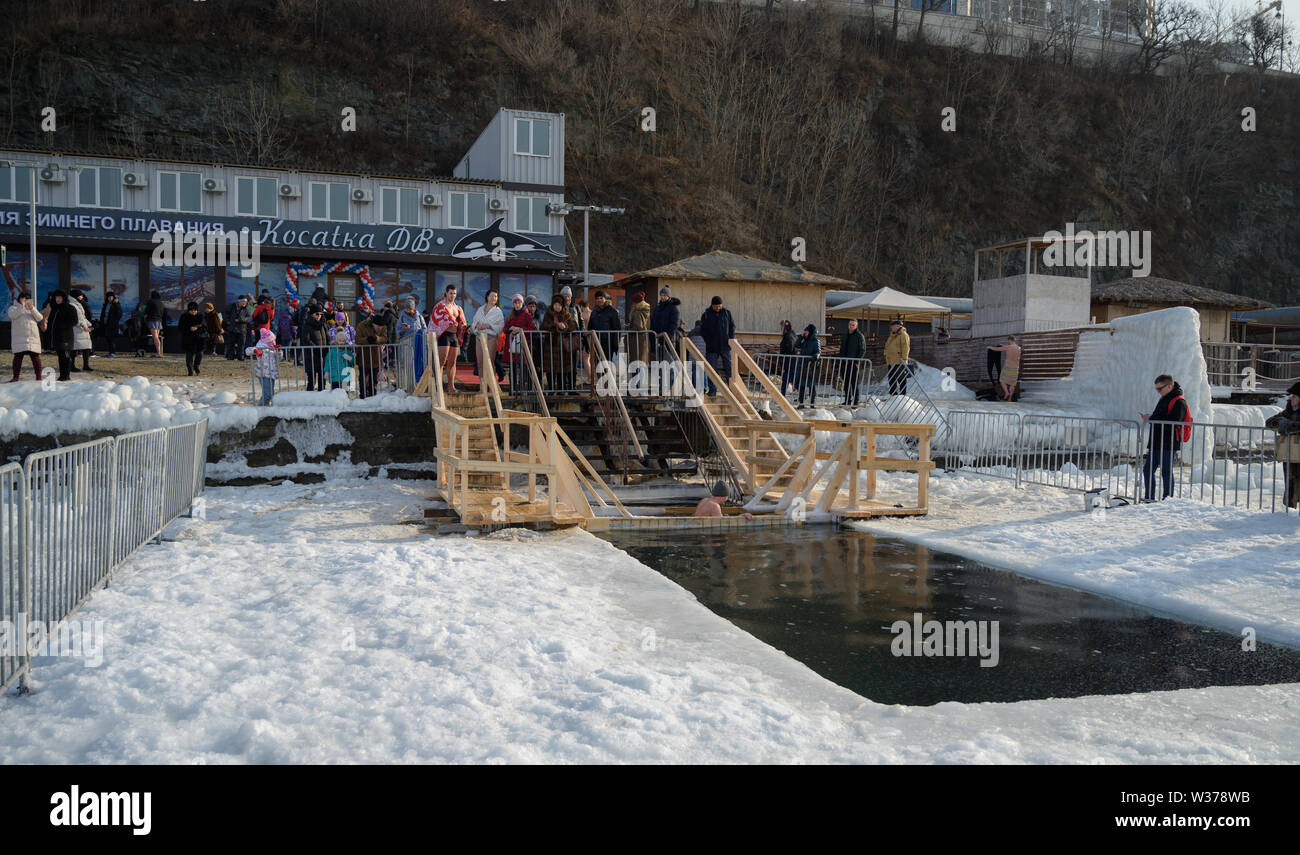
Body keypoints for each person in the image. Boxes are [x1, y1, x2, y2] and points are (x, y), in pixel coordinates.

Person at [1140, 374, 1190, 502]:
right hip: (1156, 441)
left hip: (1168, 443)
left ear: (1169, 386)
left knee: (1166, 472)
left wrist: (1151, 419)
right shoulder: (1164, 398)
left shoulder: (1179, 401)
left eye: (1160, 389)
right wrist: (1151, 417)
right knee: (1147, 471)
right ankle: (1149, 498)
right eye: (1156, 389)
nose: (1158, 392)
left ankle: (1168, 500)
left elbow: (1174, 422)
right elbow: (1161, 417)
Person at [1265, 382, 1300, 509]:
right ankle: (1288, 513)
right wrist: (1285, 424)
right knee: (1290, 484)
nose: (1291, 398)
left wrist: (1290, 426)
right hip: (1291, 454)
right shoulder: (1289, 411)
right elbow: (1269, 423)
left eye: (1295, 396)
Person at [429, 287, 464, 392]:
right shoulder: (440, 306)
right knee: (441, 361)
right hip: (444, 335)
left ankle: (451, 386)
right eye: (451, 293)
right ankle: (438, 386)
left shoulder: (457, 308)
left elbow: (461, 321)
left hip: (454, 336)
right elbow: (436, 319)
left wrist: (463, 325)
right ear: (446, 293)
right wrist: (452, 322)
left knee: (452, 362)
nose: (452, 295)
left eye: (454, 293)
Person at [699, 296, 735, 396]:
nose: (718, 308)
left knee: (729, 368)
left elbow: (732, 327)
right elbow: (703, 330)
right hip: (712, 347)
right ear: (712, 305)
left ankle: (732, 389)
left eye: (719, 306)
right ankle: (712, 390)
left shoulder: (727, 313)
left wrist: (730, 339)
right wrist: (708, 341)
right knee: (712, 369)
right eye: (716, 306)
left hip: (725, 346)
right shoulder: (706, 314)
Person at [540, 293, 578, 390]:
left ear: (562, 306)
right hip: (551, 346)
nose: (557, 307)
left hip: (563, 346)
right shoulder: (548, 314)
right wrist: (556, 326)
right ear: (553, 305)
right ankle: (551, 389)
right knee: (550, 369)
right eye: (556, 304)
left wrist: (565, 326)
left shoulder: (567, 314)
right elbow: (544, 326)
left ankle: (561, 389)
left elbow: (572, 326)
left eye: (560, 305)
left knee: (563, 369)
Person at [8, 292, 45, 382]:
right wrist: (22, 306)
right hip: (19, 337)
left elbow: (40, 318)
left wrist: (32, 308)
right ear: (19, 299)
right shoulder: (13, 308)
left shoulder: (31, 309)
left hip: (32, 336)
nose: (26, 300)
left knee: (35, 357)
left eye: (27, 299)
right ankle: (15, 377)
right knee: (18, 357)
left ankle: (39, 377)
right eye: (24, 298)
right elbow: (12, 315)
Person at [503, 293, 537, 391]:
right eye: (515, 303)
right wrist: (510, 328)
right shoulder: (511, 315)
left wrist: (520, 329)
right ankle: (513, 389)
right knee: (512, 368)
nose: (517, 305)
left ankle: (522, 389)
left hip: (523, 345)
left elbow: (533, 328)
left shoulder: (527, 314)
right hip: (511, 346)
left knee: (523, 368)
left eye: (519, 303)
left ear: (522, 303)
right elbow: (505, 329)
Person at [469, 289, 505, 383]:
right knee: (480, 363)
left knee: (489, 363)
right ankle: (482, 386)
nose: (494, 298)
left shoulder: (498, 311)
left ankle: (491, 386)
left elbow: (500, 327)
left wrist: (489, 326)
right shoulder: (480, 309)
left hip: (490, 338)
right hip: (479, 336)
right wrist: (477, 326)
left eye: (496, 296)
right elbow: (474, 322)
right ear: (487, 297)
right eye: (492, 296)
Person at [42, 290, 78, 381]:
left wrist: (62, 326)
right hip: (56, 337)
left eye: (60, 297)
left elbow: (74, 321)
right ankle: (62, 375)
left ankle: (66, 376)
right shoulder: (53, 308)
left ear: (64, 298)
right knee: (60, 357)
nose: (58, 299)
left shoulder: (70, 308)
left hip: (66, 337)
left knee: (66, 357)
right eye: (56, 297)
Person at [354, 312, 388, 398]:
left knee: (374, 381)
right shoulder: (361, 325)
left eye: (381, 326)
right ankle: (363, 397)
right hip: (363, 357)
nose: (380, 328)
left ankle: (373, 397)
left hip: (376, 357)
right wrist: (367, 340)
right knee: (363, 379)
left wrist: (377, 339)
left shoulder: (383, 326)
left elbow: (385, 338)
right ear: (373, 323)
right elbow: (357, 340)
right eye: (378, 326)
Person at [247, 326, 280, 405]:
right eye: (271, 340)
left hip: (272, 373)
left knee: (270, 393)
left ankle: (264, 406)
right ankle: (261, 406)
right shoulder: (260, 346)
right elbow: (247, 350)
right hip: (263, 374)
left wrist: (278, 351)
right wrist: (255, 350)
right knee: (267, 394)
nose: (273, 342)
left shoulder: (272, 348)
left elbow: (279, 358)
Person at [300, 305, 330, 391]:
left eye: (321, 314)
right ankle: (309, 399)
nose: (319, 316)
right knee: (311, 380)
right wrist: (316, 349)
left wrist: (327, 348)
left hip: (323, 356)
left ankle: (321, 397)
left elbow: (328, 337)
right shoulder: (307, 325)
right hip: (312, 356)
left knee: (322, 380)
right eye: (317, 314)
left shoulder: (324, 323)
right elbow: (306, 340)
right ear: (312, 314)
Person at [586, 289, 622, 360]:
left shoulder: (612, 311)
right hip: (596, 342)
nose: (599, 300)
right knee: (597, 364)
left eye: (601, 298)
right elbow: (590, 327)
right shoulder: (594, 312)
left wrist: (616, 344)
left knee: (606, 364)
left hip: (608, 343)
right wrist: (588, 343)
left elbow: (617, 328)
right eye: (597, 298)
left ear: (605, 299)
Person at [840, 318, 867, 407]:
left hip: (853, 362)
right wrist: (841, 359)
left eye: (853, 325)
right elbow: (842, 348)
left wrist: (857, 360)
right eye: (850, 324)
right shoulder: (846, 335)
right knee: (846, 382)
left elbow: (862, 349)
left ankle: (856, 401)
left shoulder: (859, 336)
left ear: (856, 326)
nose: (851, 326)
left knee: (854, 382)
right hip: (845, 362)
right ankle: (847, 400)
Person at [987, 335, 1022, 400]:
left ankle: (1006, 392)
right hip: (1016, 366)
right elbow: (1010, 348)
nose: (1008, 342)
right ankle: (1010, 398)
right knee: (1012, 384)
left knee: (1002, 380)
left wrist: (990, 347)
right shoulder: (1019, 348)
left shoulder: (1008, 347)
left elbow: (997, 349)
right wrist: (1003, 345)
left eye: (1008, 341)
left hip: (1008, 366)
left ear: (1010, 340)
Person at [794, 324, 821, 407]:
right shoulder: (804, 340)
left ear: (810, 332)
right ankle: (801, 403)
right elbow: (796, 345)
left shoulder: (816, 341)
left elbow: (818, 352)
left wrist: (815, 357)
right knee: (801, 385)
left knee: (811, 385)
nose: (804, 333)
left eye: (806, 332)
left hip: (811, 366)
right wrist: (801, 337)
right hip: (802, 365)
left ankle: (812, 404)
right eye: (804, 332)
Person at [178, 302, 207, 376]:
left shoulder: (201, 316)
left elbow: (204, 326)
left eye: (195, 310)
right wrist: (189, 328)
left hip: (199, 339)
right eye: (191, 310)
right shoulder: (184, 316)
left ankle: (196, 366)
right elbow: (180, 327)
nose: (193, 311)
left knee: (200, 354)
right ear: (188, 310)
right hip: (188, 339)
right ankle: (190, 370)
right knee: (189, 355)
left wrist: (197, 327)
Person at [69, 289, 94, 371]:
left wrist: (89, 325)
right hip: (77, 330)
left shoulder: (77, 304)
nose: (82, 297)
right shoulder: (72, 304)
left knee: (86, 347)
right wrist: (84, 326)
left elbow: (82, 317)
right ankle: (72, 366)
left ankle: (86, 365)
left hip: (83, 330)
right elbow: (74, 318)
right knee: (74, 348)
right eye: (80, 295)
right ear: (76, 296)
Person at [884, 317, 910, 396]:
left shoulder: (903, 335)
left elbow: (906, 347)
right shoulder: (893, 335)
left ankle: (903, 395)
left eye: (893, 326)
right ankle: (893, 394)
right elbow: (888, 346)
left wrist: (905, 359)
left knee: (901, 378)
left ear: (898, 326)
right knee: (891, 379)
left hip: (899, 361)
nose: (891, 327)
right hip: (891, 361)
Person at [649, 286, 681, 351]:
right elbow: (653, 321)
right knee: (658, 358)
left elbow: (674, 324)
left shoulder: (673, 308)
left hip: (667, 339)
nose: (662, 297)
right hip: (657, 337)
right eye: (661, 295)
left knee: (667, 358)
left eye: (664, 295)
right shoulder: (657, 308)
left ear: (668, 296)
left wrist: (668, 336)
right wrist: (652, 336)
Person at [627, 290, 652, 364]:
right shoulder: (643, 309)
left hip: (638, 338)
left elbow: (638, 325)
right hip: (641, 337)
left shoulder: (638, 311)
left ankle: (638, 375)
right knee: (640, 361)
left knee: (638, 361)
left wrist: (630, 327)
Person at [225, 295, 250, 360]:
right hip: (232, 328)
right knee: (231, 343)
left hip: (242, 329)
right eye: (243, 301)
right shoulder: (231, 306)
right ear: (239, 302)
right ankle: (230, 356)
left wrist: (240, 320)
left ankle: (240, 356)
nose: (245, 303)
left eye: (246, 301)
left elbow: (248, 318)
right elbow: (225, 313)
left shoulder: (247, 308)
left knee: (241, 344)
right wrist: (227, 321)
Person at [98, 292, 122, 357]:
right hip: (106, 324)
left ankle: (113, 353)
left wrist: (114, 321)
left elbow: (119, 314)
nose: (110, 298)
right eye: (109, 297)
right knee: (108, 338)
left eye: (111, 297)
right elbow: (103, 314)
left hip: (113, 325)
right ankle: (110, 352)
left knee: (112, 339)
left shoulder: (116, 304)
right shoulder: (106, 304)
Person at [144, 289, 165, 358]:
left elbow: (147, 311)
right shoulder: (161, 303)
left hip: (152, 320)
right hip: (159, 321)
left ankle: (159, 353)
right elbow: (162, 312)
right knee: (157, 337)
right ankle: (159, 352)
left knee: (155, 337)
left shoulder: (151, 301)